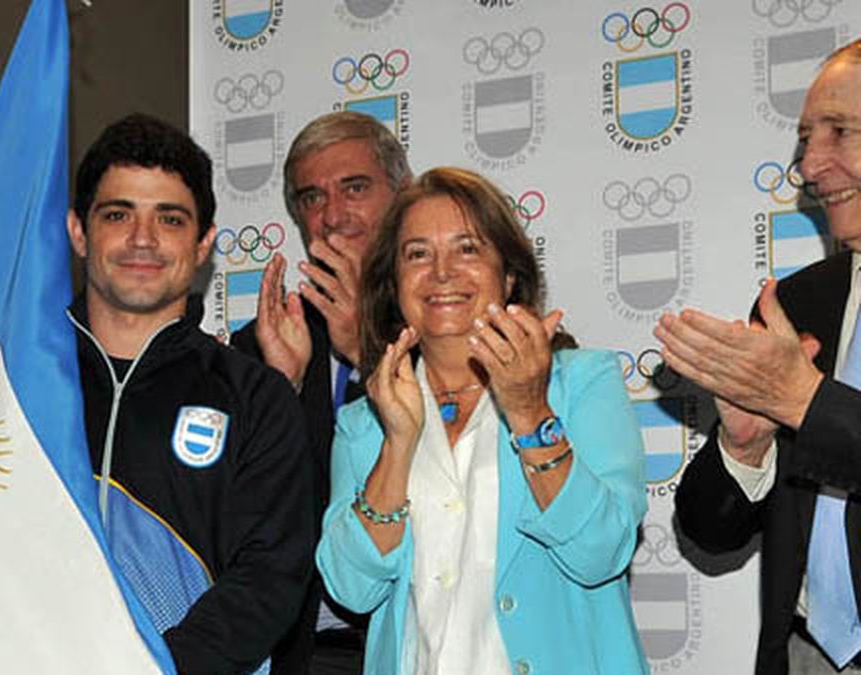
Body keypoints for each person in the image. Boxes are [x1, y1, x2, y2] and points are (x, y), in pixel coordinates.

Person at [317, 167, 648, 675]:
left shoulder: (581, 383)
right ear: (395, 284)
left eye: (467, 249)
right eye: (418, 254)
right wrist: (398, 446)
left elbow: (602, 553)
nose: (442, 272)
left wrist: (529, 412)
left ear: (509, 275)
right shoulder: (366, 421)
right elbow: (351, 588)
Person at [65, 113, 315, 674]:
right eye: (117, 214)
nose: (142, 239)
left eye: (170, 219)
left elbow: (271, 577)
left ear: (203, 244)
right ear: (79, 231)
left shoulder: (256, 397)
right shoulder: (19, 386)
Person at [657, 39, 861, 675]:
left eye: (840, 131)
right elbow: (709, 530)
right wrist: (742, 449)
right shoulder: (796, 305)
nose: (809, 165)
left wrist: (805, 402)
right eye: (805, 137)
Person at [231, 111, 411, 674]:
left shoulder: (452, 325)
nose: (333, 216)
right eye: (312, 198)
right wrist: (282, 387)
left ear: (401, 195)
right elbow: (240, 510)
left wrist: (369, 346)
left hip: (422, 636)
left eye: (354, 188)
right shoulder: (264, 340)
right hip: (304, 651)